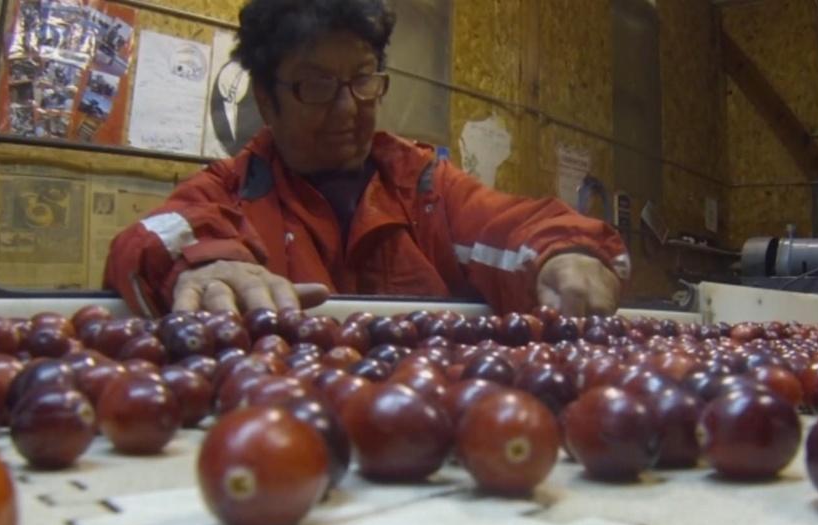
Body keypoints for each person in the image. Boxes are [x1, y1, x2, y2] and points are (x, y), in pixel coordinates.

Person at [104, 0, 628, 317]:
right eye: (315, 84)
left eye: (361, 79)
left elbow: (512, 227)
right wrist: (207, 266)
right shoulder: (231, 193)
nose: (347, 108)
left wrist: (565, 254)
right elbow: (151, 239)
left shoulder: (424, 189)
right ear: (266, 99)